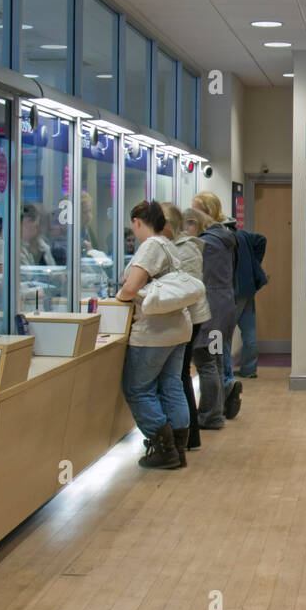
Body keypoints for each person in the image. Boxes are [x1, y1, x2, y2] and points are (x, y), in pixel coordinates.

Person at [115, 199, 193, 471]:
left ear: (137, 222)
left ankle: (163, 447)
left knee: (137, 388)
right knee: (171, 385)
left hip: (154, 332)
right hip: (178, 328)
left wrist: (119, 296)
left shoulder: (150, 246)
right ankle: (178, 448)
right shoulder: (169, 245)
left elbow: (131, 287)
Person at [161, 202, 211, 451]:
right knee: (180, 376)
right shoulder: (181, 246)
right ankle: (188, 435)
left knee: (179, 376)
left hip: (189, 317)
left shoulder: (184, 248)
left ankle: (187, 435)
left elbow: (181, 288)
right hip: (188, 317)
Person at [190, 194, 239, 427]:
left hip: (210, 309)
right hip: (224, 306)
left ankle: (210, 415)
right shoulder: (226, 237)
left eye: (195, 210)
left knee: (206, 360)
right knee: (216, 359)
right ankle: (215, 412)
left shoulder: (206, 243)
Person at [230, 225, 267, 379]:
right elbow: (261, 240)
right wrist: (255, 263)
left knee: (221, 333)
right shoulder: (242, 234)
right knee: (249, 331)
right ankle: (249, 369)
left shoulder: (220, 239)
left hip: (232, 290)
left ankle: (221, 371)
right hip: (248, 287)